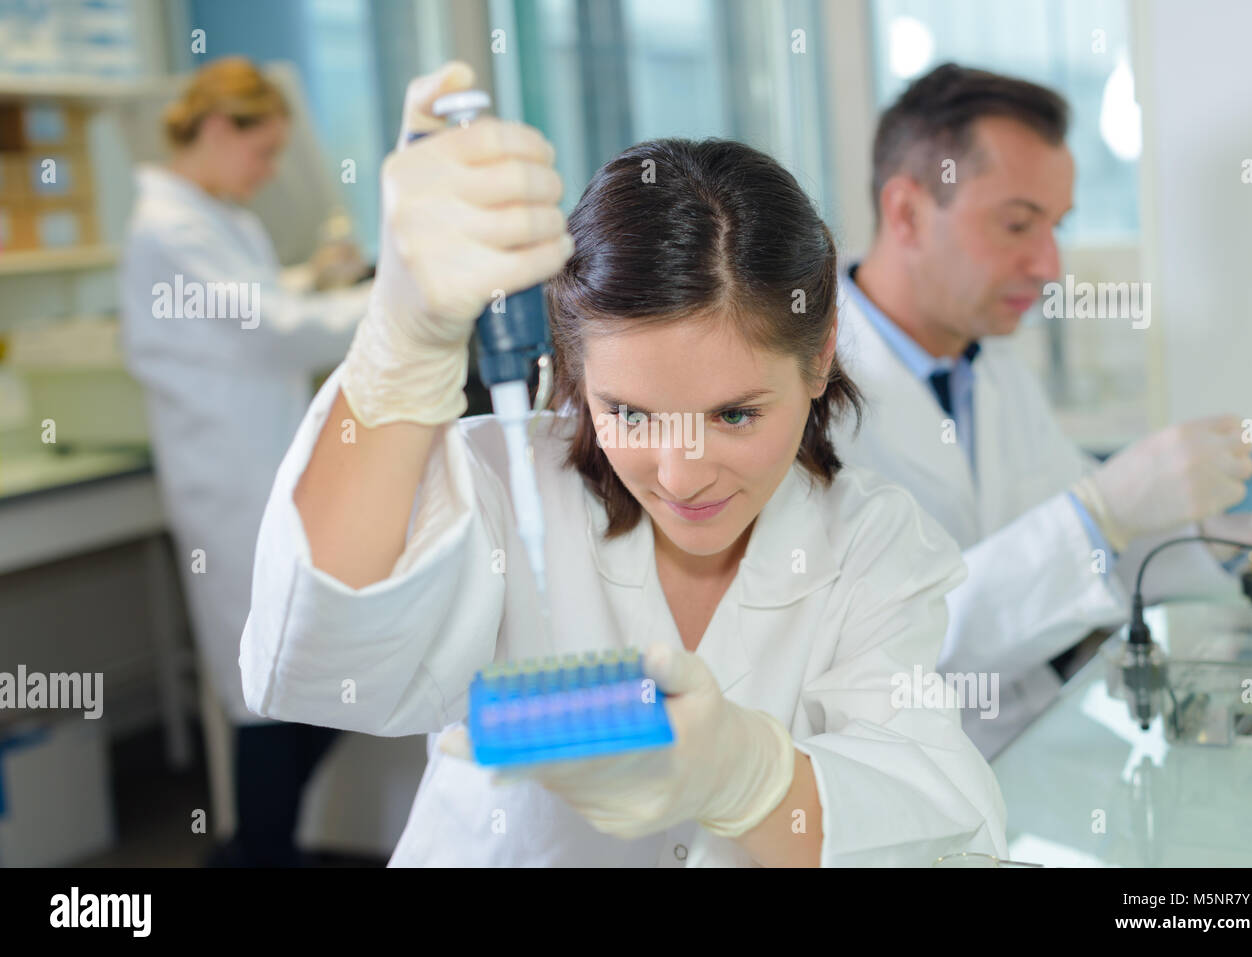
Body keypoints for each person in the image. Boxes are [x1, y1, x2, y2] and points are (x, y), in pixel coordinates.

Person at [238, 62, 1007, 866]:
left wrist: (748, 775)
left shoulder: (871, 544)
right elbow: (317, 663)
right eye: (630, 413)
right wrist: (399, 343)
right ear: (572, 369)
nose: (681, 475)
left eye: (734, 414)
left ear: (819, 357)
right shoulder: (504, 482)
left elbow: (941, 821)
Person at [832, 63, 1252, 758]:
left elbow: (1099, 554)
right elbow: (897, 646)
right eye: (1018, 224)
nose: (1049, 266)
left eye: (1057, 227)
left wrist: (1230, 534)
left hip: (1033, 759)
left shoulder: (991, 370)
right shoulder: (806, 393)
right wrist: (1099, 508)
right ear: (907, 213)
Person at [118, 56, 372, 865]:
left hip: (272, 473)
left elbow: (257, 305)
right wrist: (397, 296)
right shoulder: (168, 227)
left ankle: (248, 851)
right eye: (262, 153)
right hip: (230, 489)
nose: (266, 175)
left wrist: (311, 278)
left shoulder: (217, 215)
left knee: (317, 677)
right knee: (271, 688)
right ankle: (256, 853)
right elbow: (270, 330)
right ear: (220, 129)